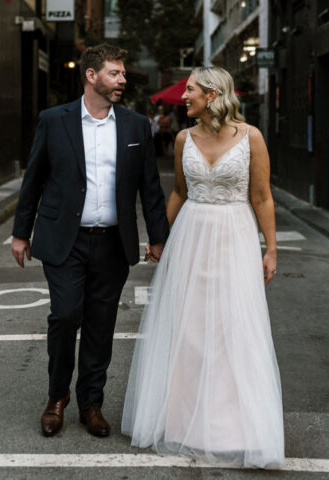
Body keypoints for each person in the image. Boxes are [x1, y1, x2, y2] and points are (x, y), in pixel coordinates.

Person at [121, 66, 284, 468]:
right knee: (189, 327)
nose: (184, 97)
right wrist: (159, 235)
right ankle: (182, 423)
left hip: (234, 234)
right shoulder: (182, 138)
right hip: (191, 236)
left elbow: (262, 197)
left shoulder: (252, 138)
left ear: (212, 95)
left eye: (190, 90)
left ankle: (233, 427)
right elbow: (178, 191)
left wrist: (271, 249)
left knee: (233, 327)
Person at [11, 44, 169, 438]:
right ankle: (56, 396)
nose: (122, 80)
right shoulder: (54, 120)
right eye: (115, 73)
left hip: (114, 242)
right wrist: (20, 231)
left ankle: (91, 402)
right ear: (92, 75)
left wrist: (158, 237)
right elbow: (34, 179)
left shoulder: (135, 126)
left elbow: (150, 188)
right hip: (66, 240)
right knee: (65, 317)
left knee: (102, 324)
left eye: (123, 73)